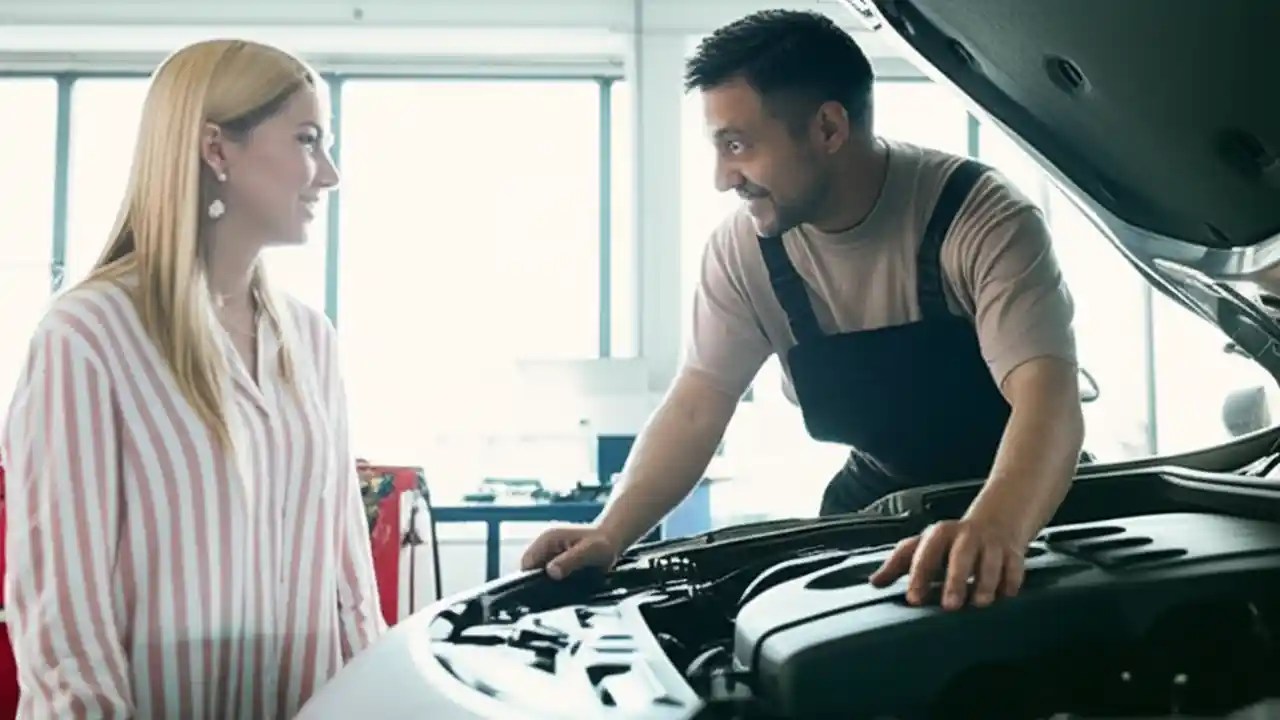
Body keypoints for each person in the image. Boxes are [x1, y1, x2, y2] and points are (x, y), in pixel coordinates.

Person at [522, 10, 1085, 611]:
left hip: (1025, 504)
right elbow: (696, 405)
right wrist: (609, 533)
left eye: (737, 146)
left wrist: (998, 526)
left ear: (828, 128)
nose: (722, 179)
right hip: (872, 507)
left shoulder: (981, 217)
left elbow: (1048, 399)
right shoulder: (743, 252)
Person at [0, 38, 384, 718]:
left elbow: (351, 590)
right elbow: (64, 626)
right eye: (306, 140)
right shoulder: (86, 337)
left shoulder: (313, 342)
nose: (328, 174)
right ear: (216, 150)